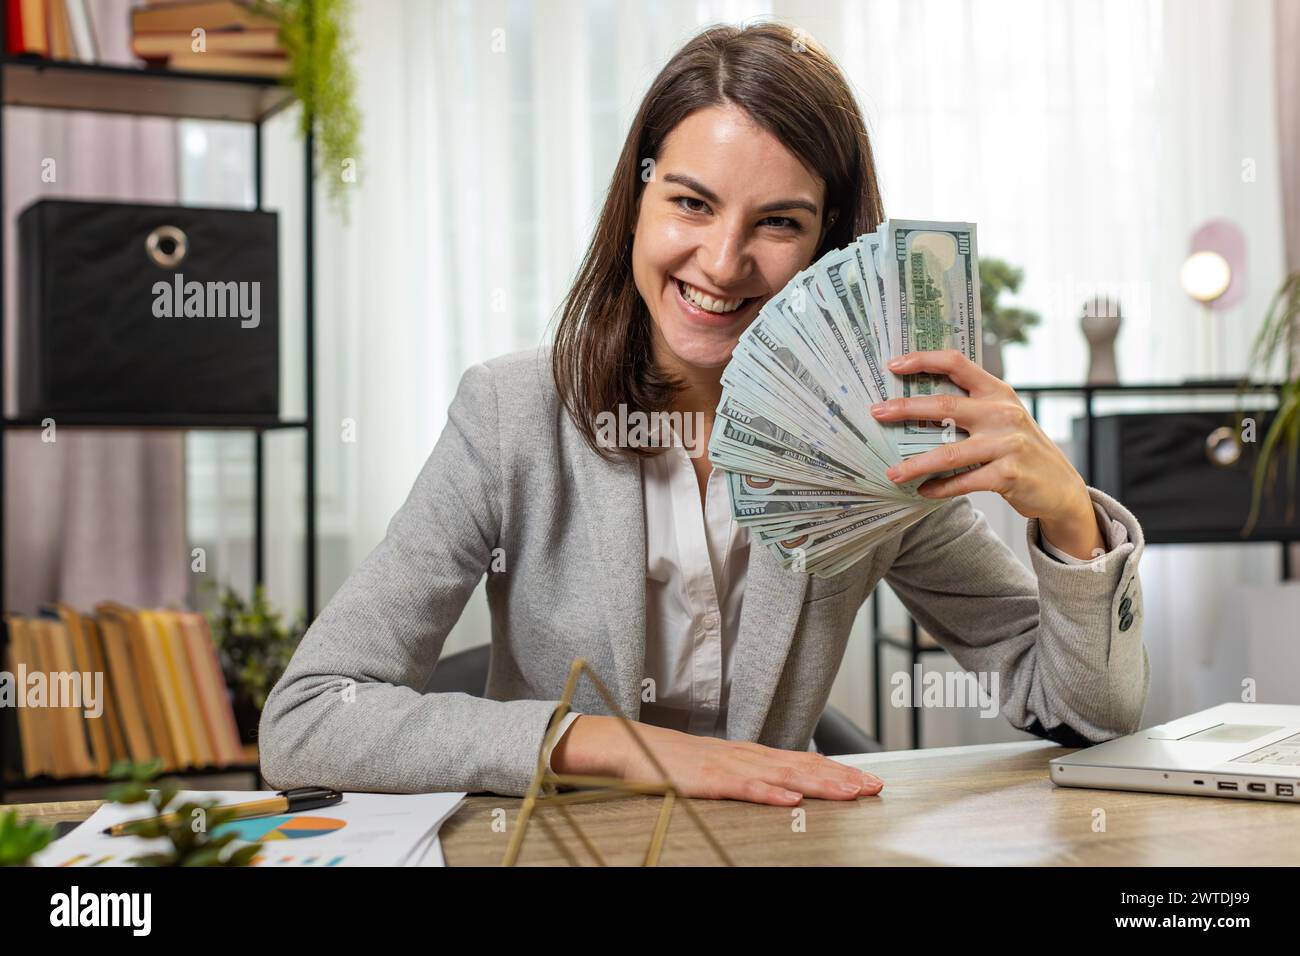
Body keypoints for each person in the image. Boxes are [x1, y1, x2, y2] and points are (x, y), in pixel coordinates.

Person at [259, 22, 1148, 806]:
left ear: (829, 247)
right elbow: (308, 717)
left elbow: (1082, 713)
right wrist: (610, 745)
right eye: (691, 202)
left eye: (780, 223)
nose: (722, 264)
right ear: (636, 203)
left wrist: (1070, 517)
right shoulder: (508, 416)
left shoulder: (879, 447)